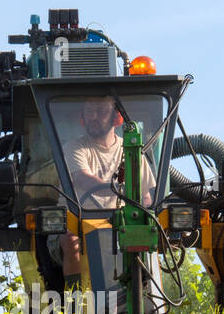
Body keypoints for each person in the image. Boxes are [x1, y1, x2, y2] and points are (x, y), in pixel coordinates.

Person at [49, 97, 156, 285]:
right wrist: (124, 190)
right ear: (82, 117)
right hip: (79, 223)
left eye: (101, 111)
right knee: (70, 240)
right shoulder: (74, 147)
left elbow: (145, 197)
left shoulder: (132, 151)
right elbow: (84, 180)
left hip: (119, 225)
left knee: (146, 237)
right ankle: (75, 302)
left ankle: (145, 298)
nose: (94, 117)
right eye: (89, 111)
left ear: (117, 119)